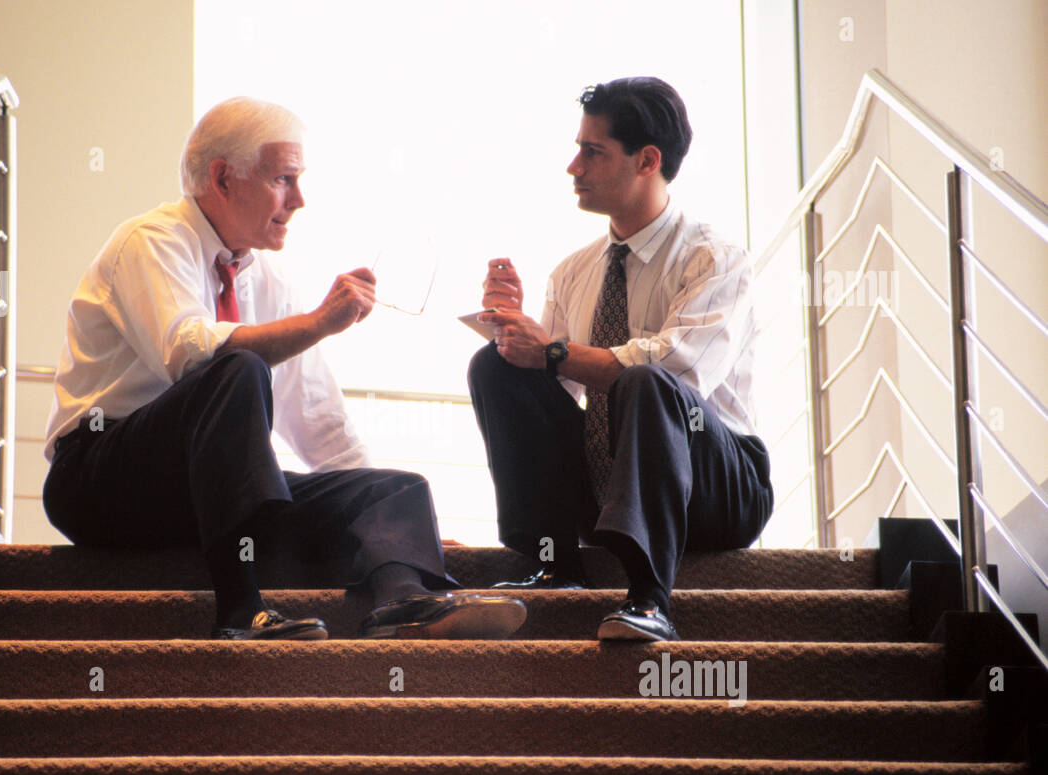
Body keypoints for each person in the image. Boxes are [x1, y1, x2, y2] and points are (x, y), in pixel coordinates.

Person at [43, 97, 524, 640]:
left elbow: (319, 421)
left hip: (210, 499)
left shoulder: (269, 280)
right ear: (223, 179)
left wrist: (403, 530)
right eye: (284, 180)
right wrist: (319, 322)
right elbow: (190, 353)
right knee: (236, 368)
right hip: (100, 480)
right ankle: (240, 610)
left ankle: (405, 600)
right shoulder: (151, 240)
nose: (299, 199)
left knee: (393, 488)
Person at [468, 77, 773, 642]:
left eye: (592, 151)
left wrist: (552, 351)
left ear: (647, 160)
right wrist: (512, 335)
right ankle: (555, 563)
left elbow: (680, 372)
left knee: (647, 382)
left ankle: (650, 599)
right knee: (493, 367)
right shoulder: (572, 271)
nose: (573, 167)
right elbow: (553, 390)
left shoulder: (714, 257)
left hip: (717, 486)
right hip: (609, 483)